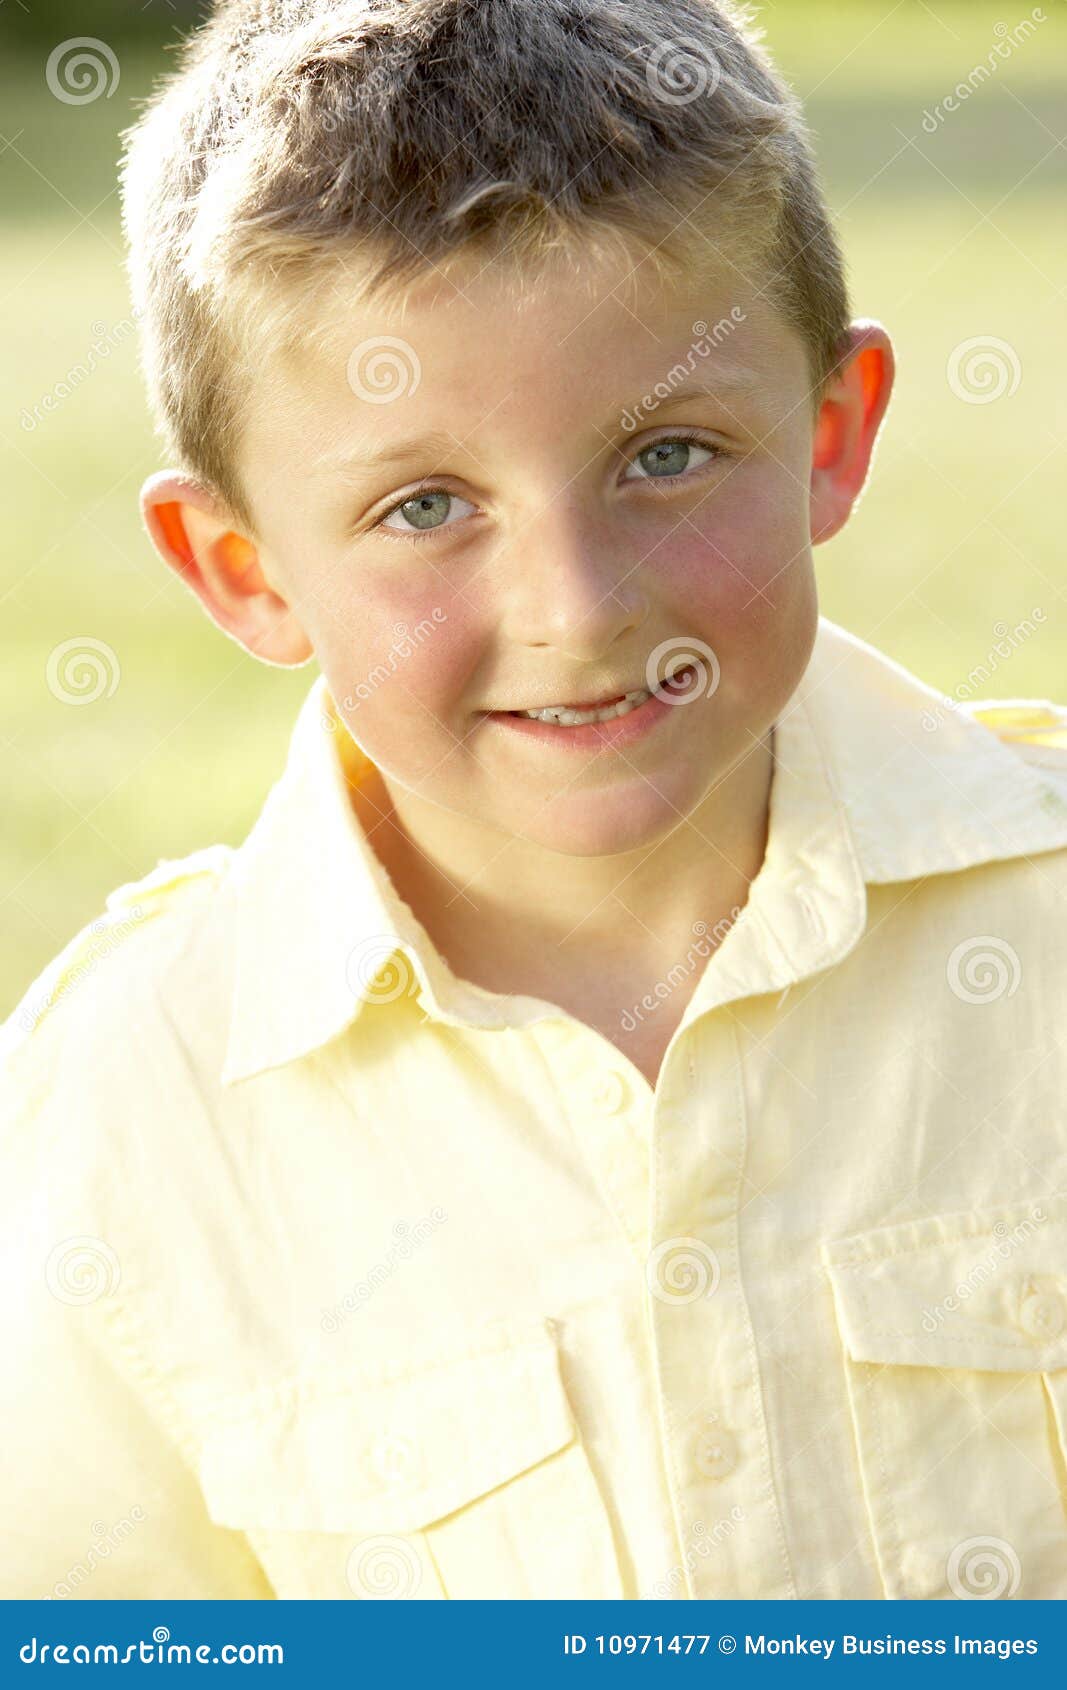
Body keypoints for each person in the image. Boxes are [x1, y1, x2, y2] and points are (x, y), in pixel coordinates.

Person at [3, 0, 1066, 1602]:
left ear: (831, 436)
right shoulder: (132, 1112)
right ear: (242, 569)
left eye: (668, 456)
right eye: (425, 505)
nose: (577, 606)